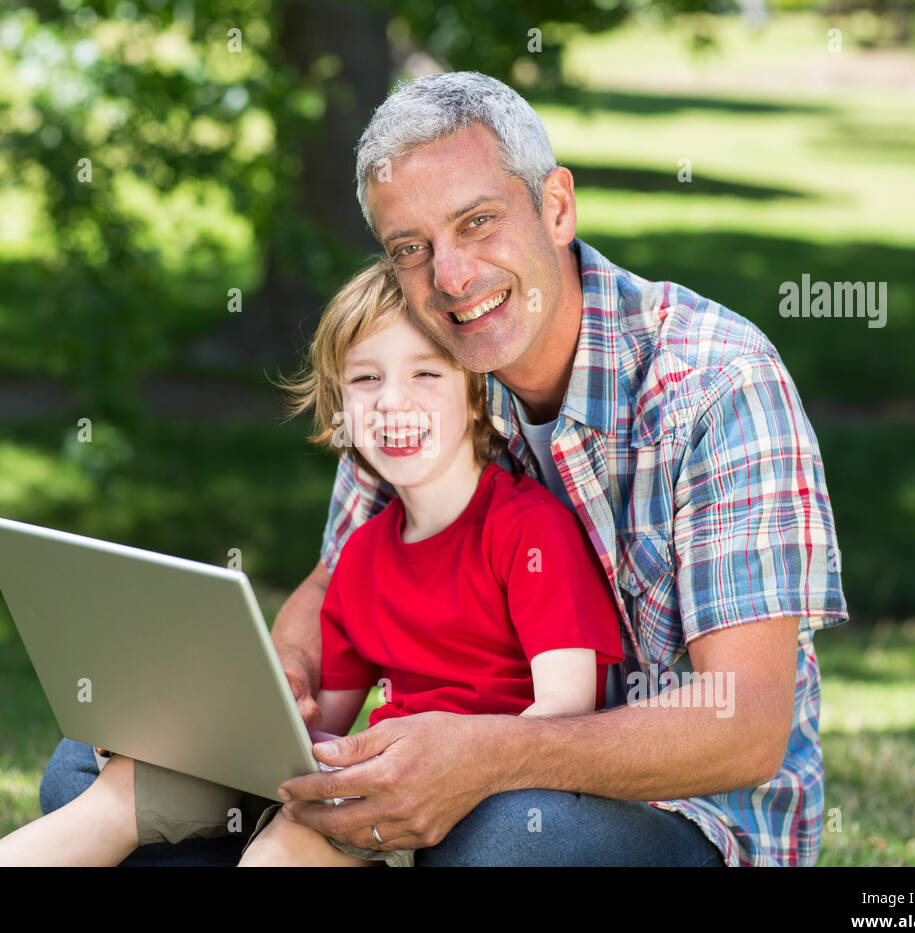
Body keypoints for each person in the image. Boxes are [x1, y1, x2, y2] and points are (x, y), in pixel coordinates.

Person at [41, 70, 848, 867]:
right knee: (92, 768)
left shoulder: (715, 384)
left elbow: (743, 727)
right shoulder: (426, 369)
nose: (452, 277)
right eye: (412, 249)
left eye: (478, 224)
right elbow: (338, 583)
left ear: (556, 207)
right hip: (444, 770)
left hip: (681, 819)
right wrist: (282, 679)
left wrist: (488, 760)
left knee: (507, 841)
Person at [0, 259, 622, 867]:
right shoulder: (362, 556)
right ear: (340, 409)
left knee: (289, 846)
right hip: (355, 791)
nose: (392, 401)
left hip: (459, 801)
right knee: (129, 788)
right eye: (366, 379)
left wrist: (447, 771)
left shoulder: (529, 531)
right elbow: (314, 729)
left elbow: (566, 712)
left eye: (426, 372)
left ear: (477, 392)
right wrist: (185, 724)